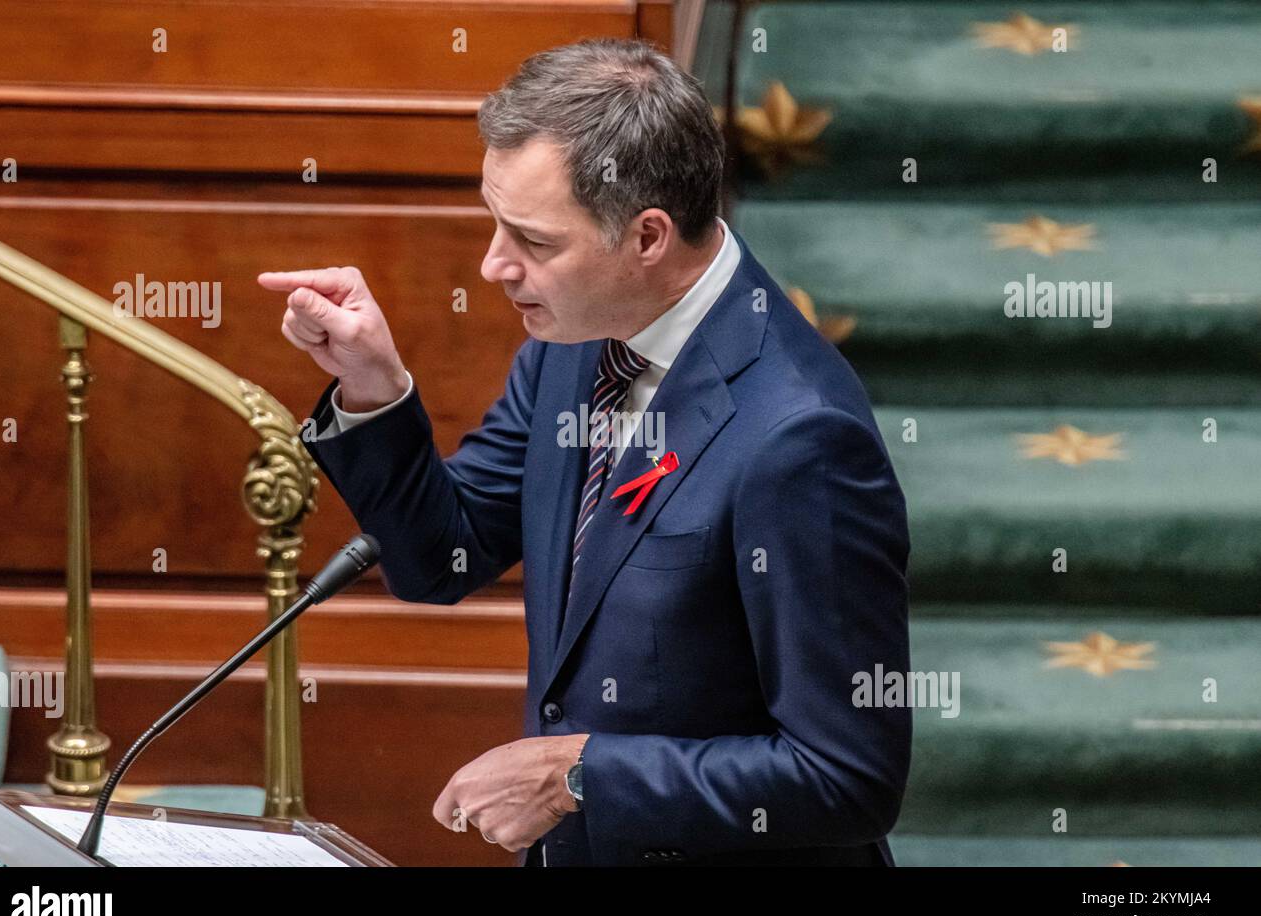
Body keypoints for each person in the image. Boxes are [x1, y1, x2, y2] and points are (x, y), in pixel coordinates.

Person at [258, 37, 911, 867]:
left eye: (532, 240)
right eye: (495, 223)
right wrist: (374, 389)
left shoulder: (800, 438)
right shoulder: (577, 338)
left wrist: (580, 774)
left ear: (646, 237)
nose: (494, 264)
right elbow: (442, 560)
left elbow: (848, 777)